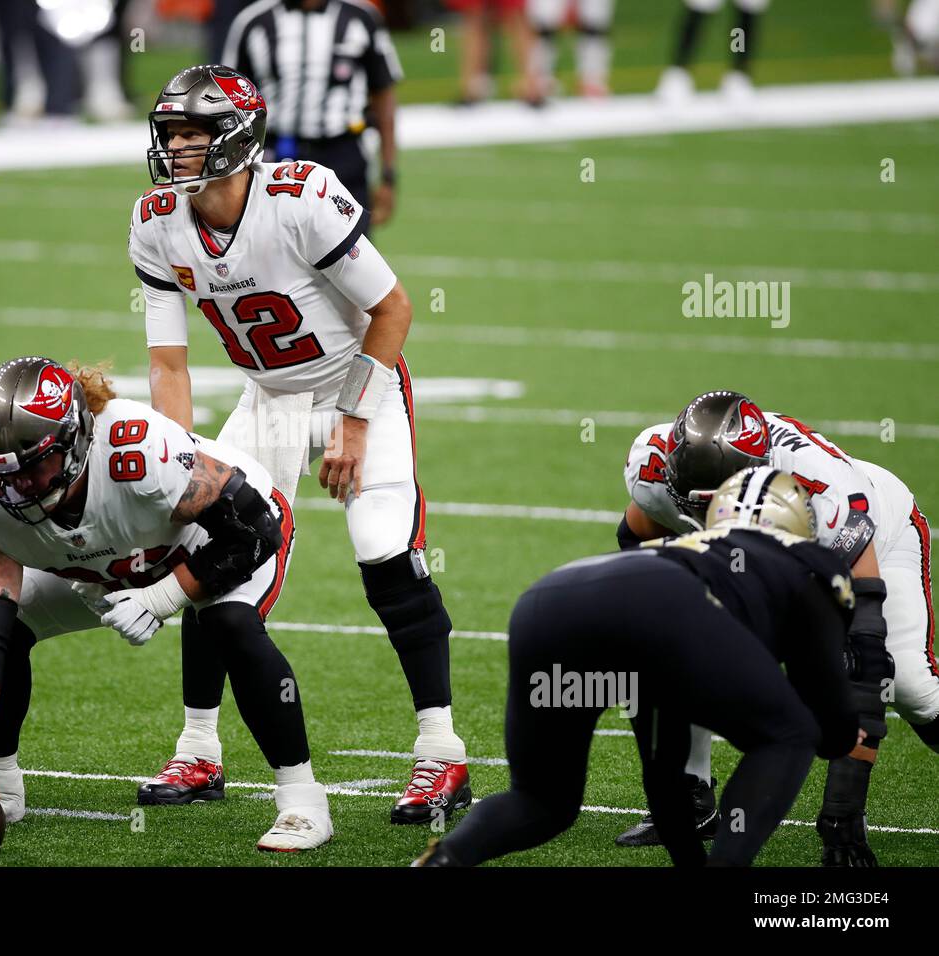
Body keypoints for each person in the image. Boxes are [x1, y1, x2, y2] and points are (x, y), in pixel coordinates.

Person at [129, 65, 470, 825]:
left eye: (196, 134)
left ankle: (441, 753)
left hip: (356, 382)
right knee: (207, 551)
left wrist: (352, 421)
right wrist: (180, 455)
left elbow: (392, 309)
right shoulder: (156, 219)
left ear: (239, 138)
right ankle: (199, 747)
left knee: (385, 552)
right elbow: (167, 363)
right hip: (268, 400)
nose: (179, 149)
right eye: (173, 134)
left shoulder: (301, 198)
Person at [0, 356, 334, 851]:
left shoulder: (138, 449)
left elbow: (254, 531)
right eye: (6, 473)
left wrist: (162, 597)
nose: (18, 487)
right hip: (102, 567)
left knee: (228, 623)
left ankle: (302, 800)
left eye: (34, 466)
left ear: (75, 442)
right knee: (4, 627)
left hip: (209, 541)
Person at [415, 467, 861, 867]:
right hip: (664, 603)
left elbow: (664, 772)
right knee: (789, 733)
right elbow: (828, 722)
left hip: (549, 598)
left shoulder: (685, 548)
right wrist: (836, 730)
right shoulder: (811, 565)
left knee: (540, 803)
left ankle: (445, 860)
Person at [618, 390, 928, 866]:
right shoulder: (653, 466)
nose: (707, 517)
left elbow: (868, 653)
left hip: (870, 539)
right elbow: (636, 536)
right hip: (755, 556)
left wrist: (843, 813)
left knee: (907, 682)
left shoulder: (822, 492)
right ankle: (688, 799)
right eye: (696, 506)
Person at [223, 0, 402, 224]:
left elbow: (383, 93)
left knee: (351, 252)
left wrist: (388, 175)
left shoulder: (360, 17)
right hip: (275, 158)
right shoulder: (254, 21)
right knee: (277, 250)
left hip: (343, 153)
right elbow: (230, 101)